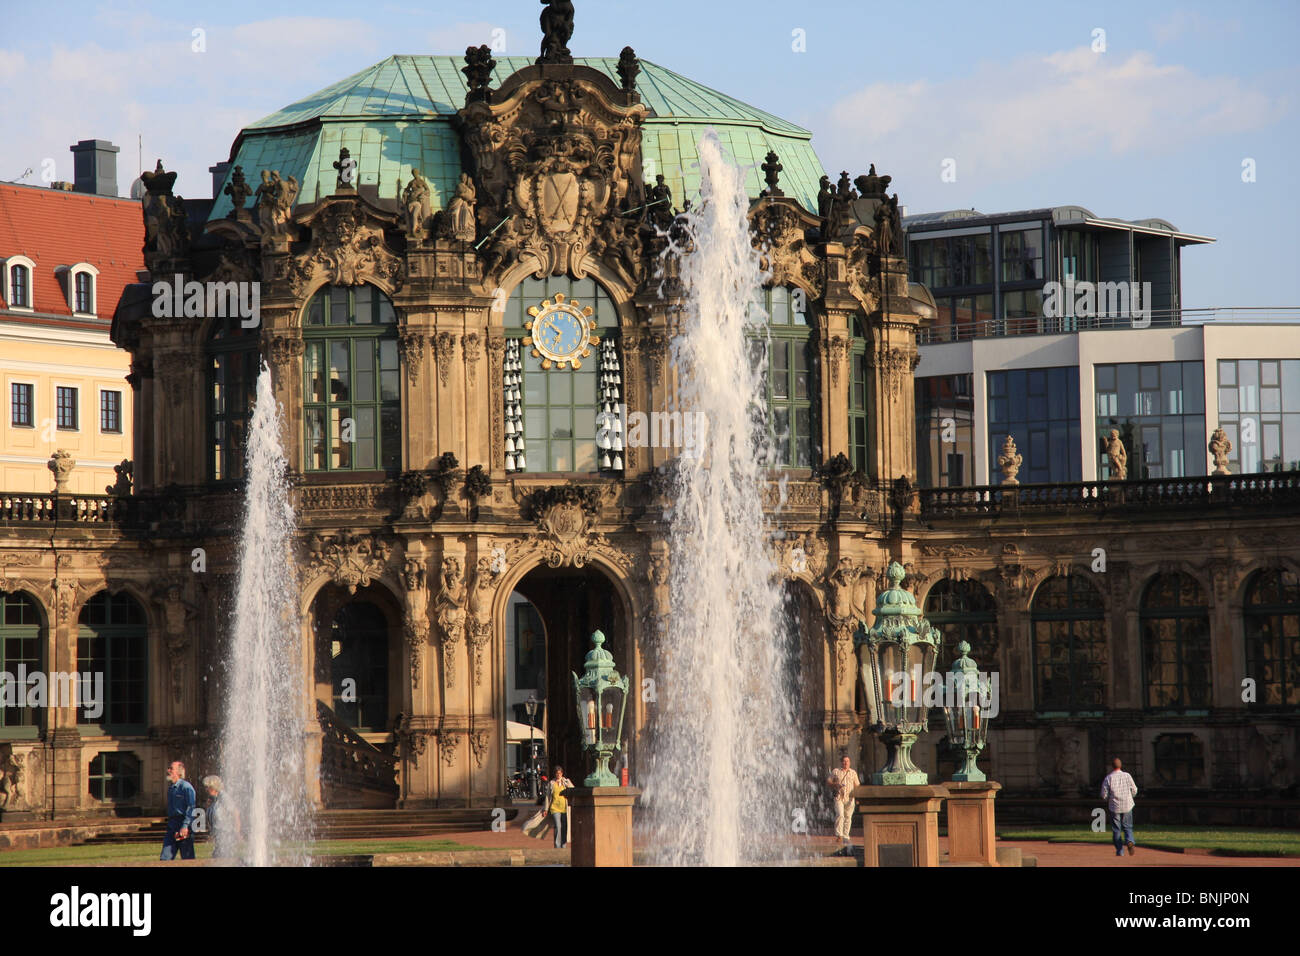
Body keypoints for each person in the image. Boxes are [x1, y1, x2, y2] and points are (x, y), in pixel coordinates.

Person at [1101, 757, 1139, 857]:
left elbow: (1104, 795)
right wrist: (1131, 796)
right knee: (1128, 826)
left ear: (1112, 766)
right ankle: (1130, 840)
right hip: (1127, 804)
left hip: (1115, 806)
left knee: (1116, 829)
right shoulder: (1127, 775)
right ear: (1120, 766)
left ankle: (1120, 850)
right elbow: (1134, 790)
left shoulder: (1109, 777)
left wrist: (1108, 799)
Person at [161, 761, 197, 861]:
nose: (168, 770)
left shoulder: (186, 787)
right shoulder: (171, 789)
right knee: (165, 857)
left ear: (179, 772)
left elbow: (191, 807)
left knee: (187, 857)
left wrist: (185, 826)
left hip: (182, 825)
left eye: (171, 768)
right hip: (172, 825)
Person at [827, 755, 860, 856]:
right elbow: (828, 781)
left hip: (850, 798)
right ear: (841, 762)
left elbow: (857, 785)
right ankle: (839, 834)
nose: (846, 763)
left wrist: (857, 797)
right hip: (839, 797)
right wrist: (835, 785)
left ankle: (846, 835)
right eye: (844, 761)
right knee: (840, 814)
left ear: (850, 763)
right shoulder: (836, 771)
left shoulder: (853, 772)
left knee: (848, 817)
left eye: (847, 761)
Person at [201, 774, 241, 859]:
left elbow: (235, 813)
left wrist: (237, 831)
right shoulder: (214, 800)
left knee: (223, 858)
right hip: (218, 835)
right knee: (217, 858)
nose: (206, 790)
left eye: (207, 787)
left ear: (213, 787)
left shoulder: (224, 797)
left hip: (226, 834)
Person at [546, 765, 575, 850]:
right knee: (558, 826)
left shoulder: (566, 781)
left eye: (560, 773)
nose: (558, 775)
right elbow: (548, 797)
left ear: (562, 773)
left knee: (564, 827)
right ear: (555, 774)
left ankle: (563, 845)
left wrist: (566, 783)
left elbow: (573, 790)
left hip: (564, 808)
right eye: (557, 773)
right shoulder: (551, 783)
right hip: (554, 808)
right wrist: (545, 809)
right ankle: (557, 846)